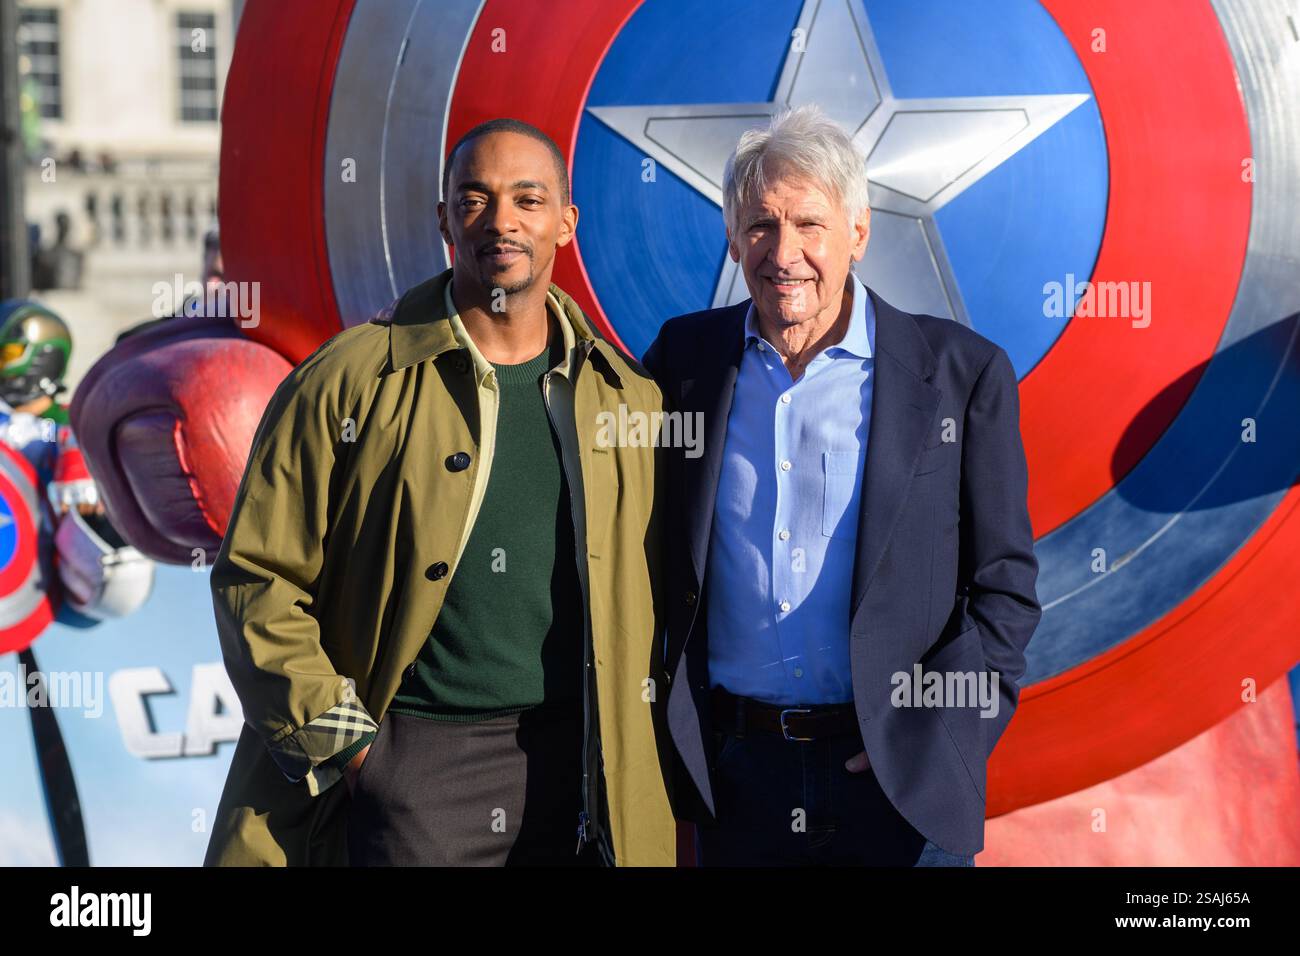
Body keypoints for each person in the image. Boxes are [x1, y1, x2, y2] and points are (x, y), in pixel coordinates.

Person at [204, 118, 676, 866]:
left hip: (586, 767)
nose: (503, 221)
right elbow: (256, 579)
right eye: (476, 198)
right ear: (446, 219)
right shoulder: (347, 381)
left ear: (566, 223)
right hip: (413, 768)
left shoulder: (630, 401)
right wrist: (357, 754)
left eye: (528, 199)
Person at [642, 105, 1042, 866]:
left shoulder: (963, 374)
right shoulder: (682, 361)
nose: (783, 252)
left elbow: (1006, 592)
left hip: (895, 790)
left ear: (858, 233)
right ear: (733, 236)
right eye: (760, 225)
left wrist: (930, 737)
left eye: (809, 225)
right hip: (736, 783)